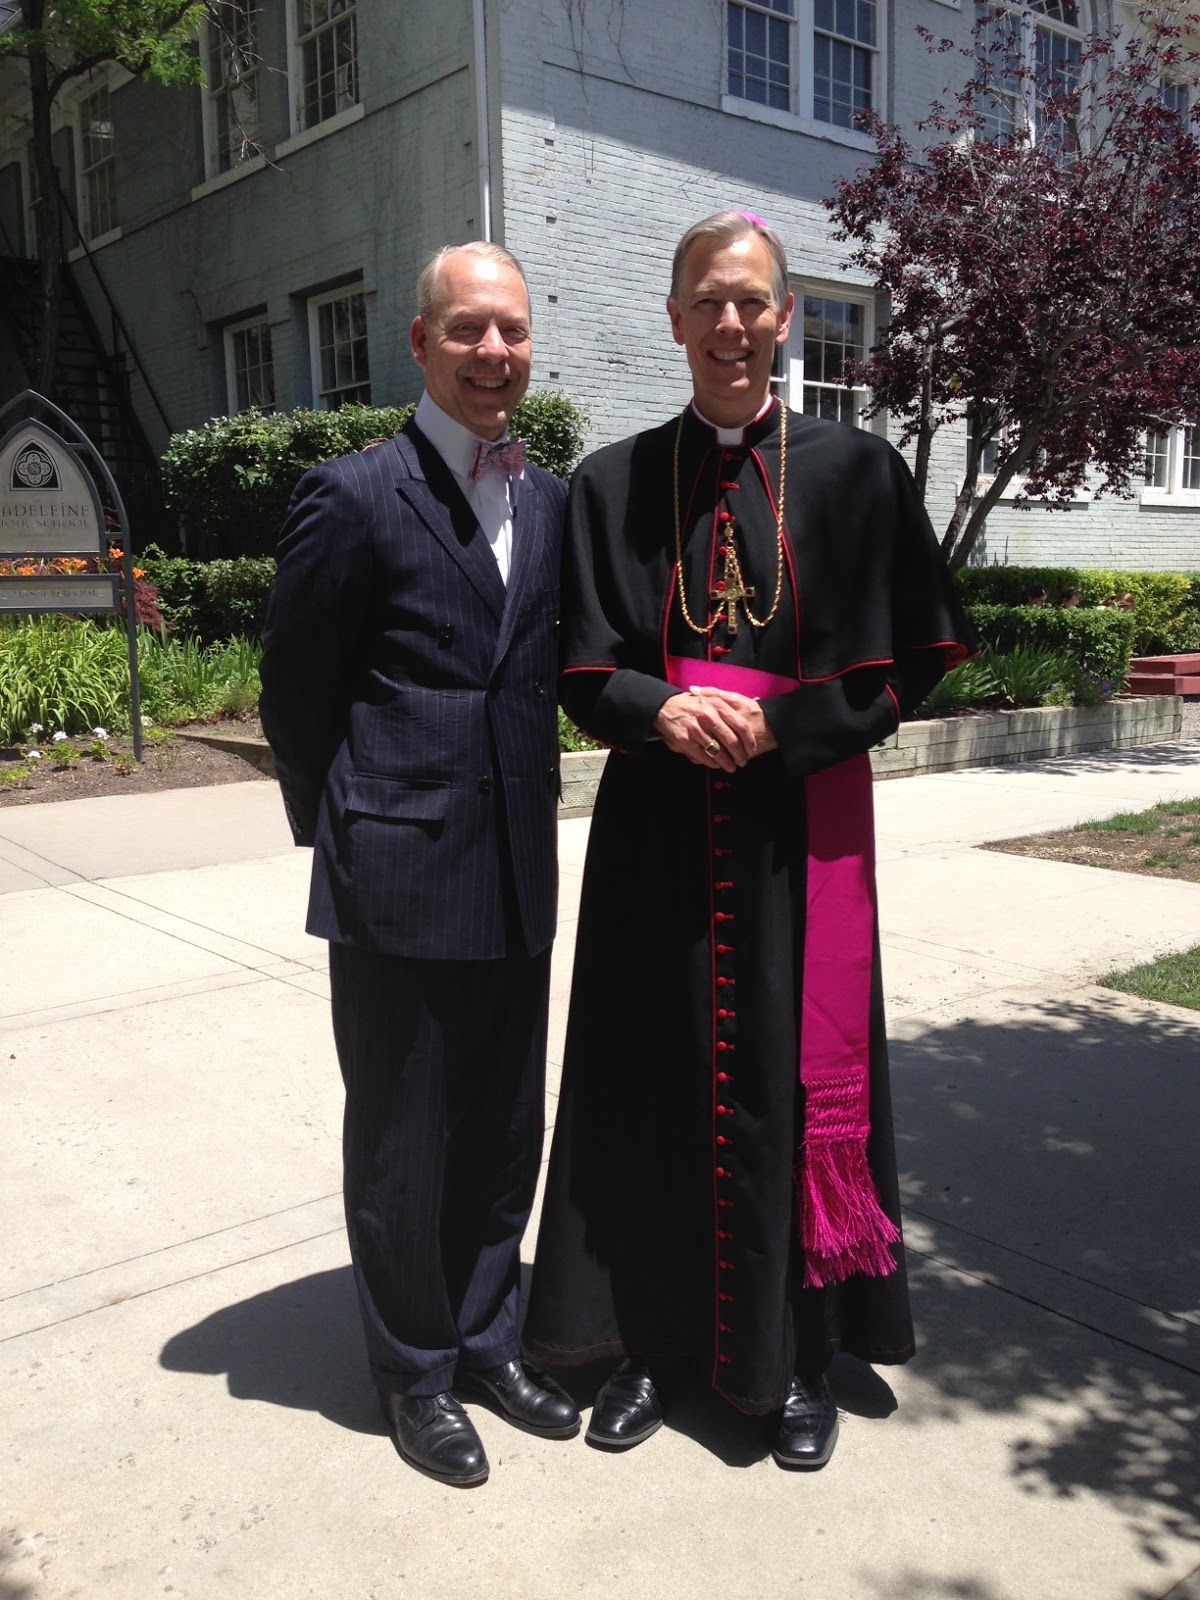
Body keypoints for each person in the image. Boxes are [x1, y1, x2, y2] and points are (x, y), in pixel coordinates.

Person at [523, 211, 976, 1470]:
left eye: (753, 302)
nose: (731, 323)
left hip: (796, 831)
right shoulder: (611, 480)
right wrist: (661, 708)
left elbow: (919, 655)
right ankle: (648, 1345)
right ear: (674, 319)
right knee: (650, 1078)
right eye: (707, 301)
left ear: (786, 319)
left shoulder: (859, 472)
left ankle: (801, 1358)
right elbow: (580, 664)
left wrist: (788, 728)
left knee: (792, 1091)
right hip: (656, 833)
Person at [259, 241, 577, 1488]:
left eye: (512, 330)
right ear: (420, 343)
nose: (493, 352)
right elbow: (296, 693)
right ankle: (414, 1371)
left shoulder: (549, 501)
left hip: (517, 868)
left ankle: (489, 1334)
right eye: (467, 329)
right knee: (403, 1142)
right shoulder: (351, 495)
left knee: (504, 1127)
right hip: (396, 875)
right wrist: (346, 827)